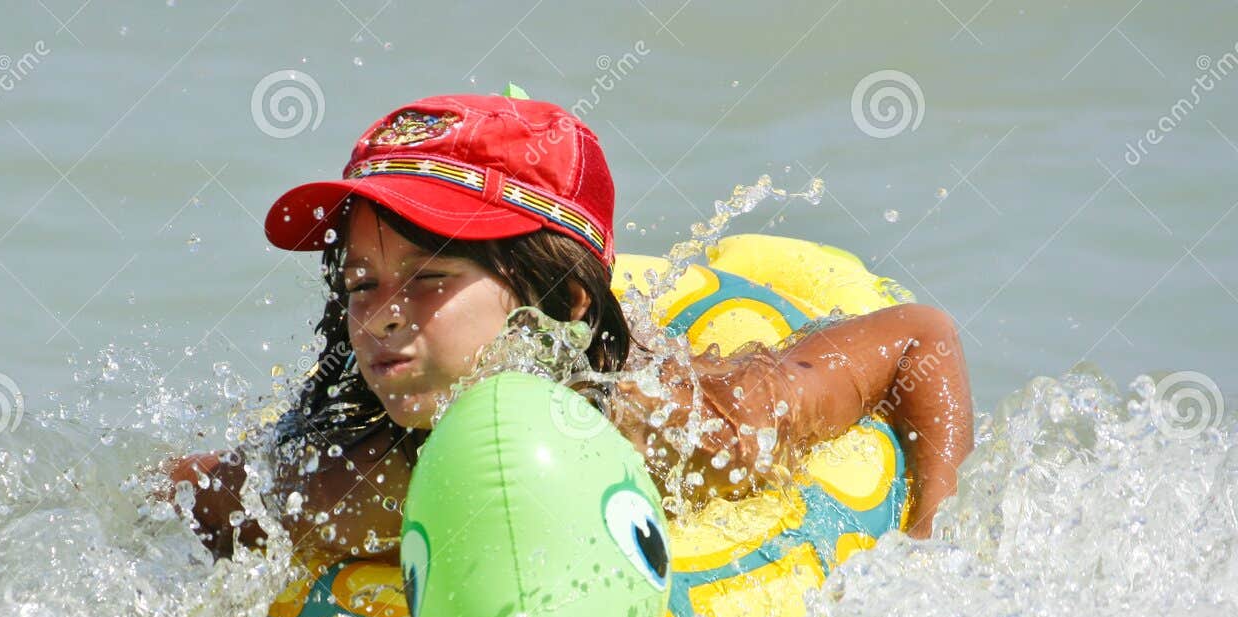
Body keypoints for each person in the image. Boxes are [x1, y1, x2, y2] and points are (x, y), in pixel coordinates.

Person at [157, 92, 972, 582]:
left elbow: (918, 342)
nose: (383, 315)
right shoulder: (345, 482)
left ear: (564, 298)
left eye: (431, 277)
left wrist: (930, 546)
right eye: (361, 282)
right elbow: (186, 494)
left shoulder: (682, 425)